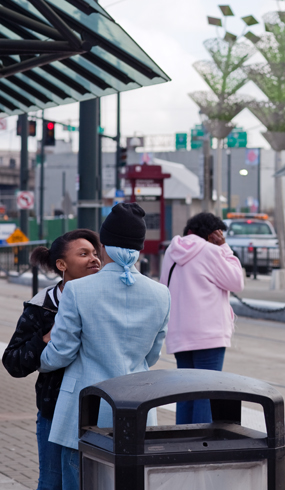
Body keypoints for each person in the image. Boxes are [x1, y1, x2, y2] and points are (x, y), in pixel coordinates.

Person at [39, 203, 170, 490]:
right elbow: (152, 355)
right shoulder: (161, 294)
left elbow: (61, 352)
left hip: (83, 411)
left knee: (80, 481)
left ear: (104, 245)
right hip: (137, 410)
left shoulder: (77, 289)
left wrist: (41, 358)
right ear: (138, 247)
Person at [3, 230, 101, 490]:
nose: (94, 259)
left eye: (94, 253)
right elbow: (13, 361)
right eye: (83, 254)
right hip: (54, 411)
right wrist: (44, 338)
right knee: (51, 483)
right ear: (61, 264)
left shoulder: (107, 299)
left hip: (101, 413)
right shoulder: (41, 306)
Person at [161, 212, 244, 424]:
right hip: (208, 334)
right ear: (213, 234)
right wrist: (225, 248)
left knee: (186, 393)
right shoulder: (210, 251)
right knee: (206, 393)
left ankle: (182, 446)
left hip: (179, 332)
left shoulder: (172, 250)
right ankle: (198, 449)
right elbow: (236, 282)